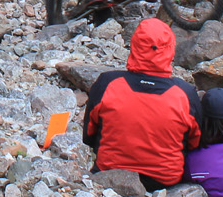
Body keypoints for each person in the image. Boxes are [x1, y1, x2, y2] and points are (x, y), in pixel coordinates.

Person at [84, 18, 202, 191]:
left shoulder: (107, 83)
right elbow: (195, 143)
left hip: (111, 174)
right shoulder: (185, 93)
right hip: (165, 181)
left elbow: (88, 135)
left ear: (134, 46)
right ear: (170, 50)